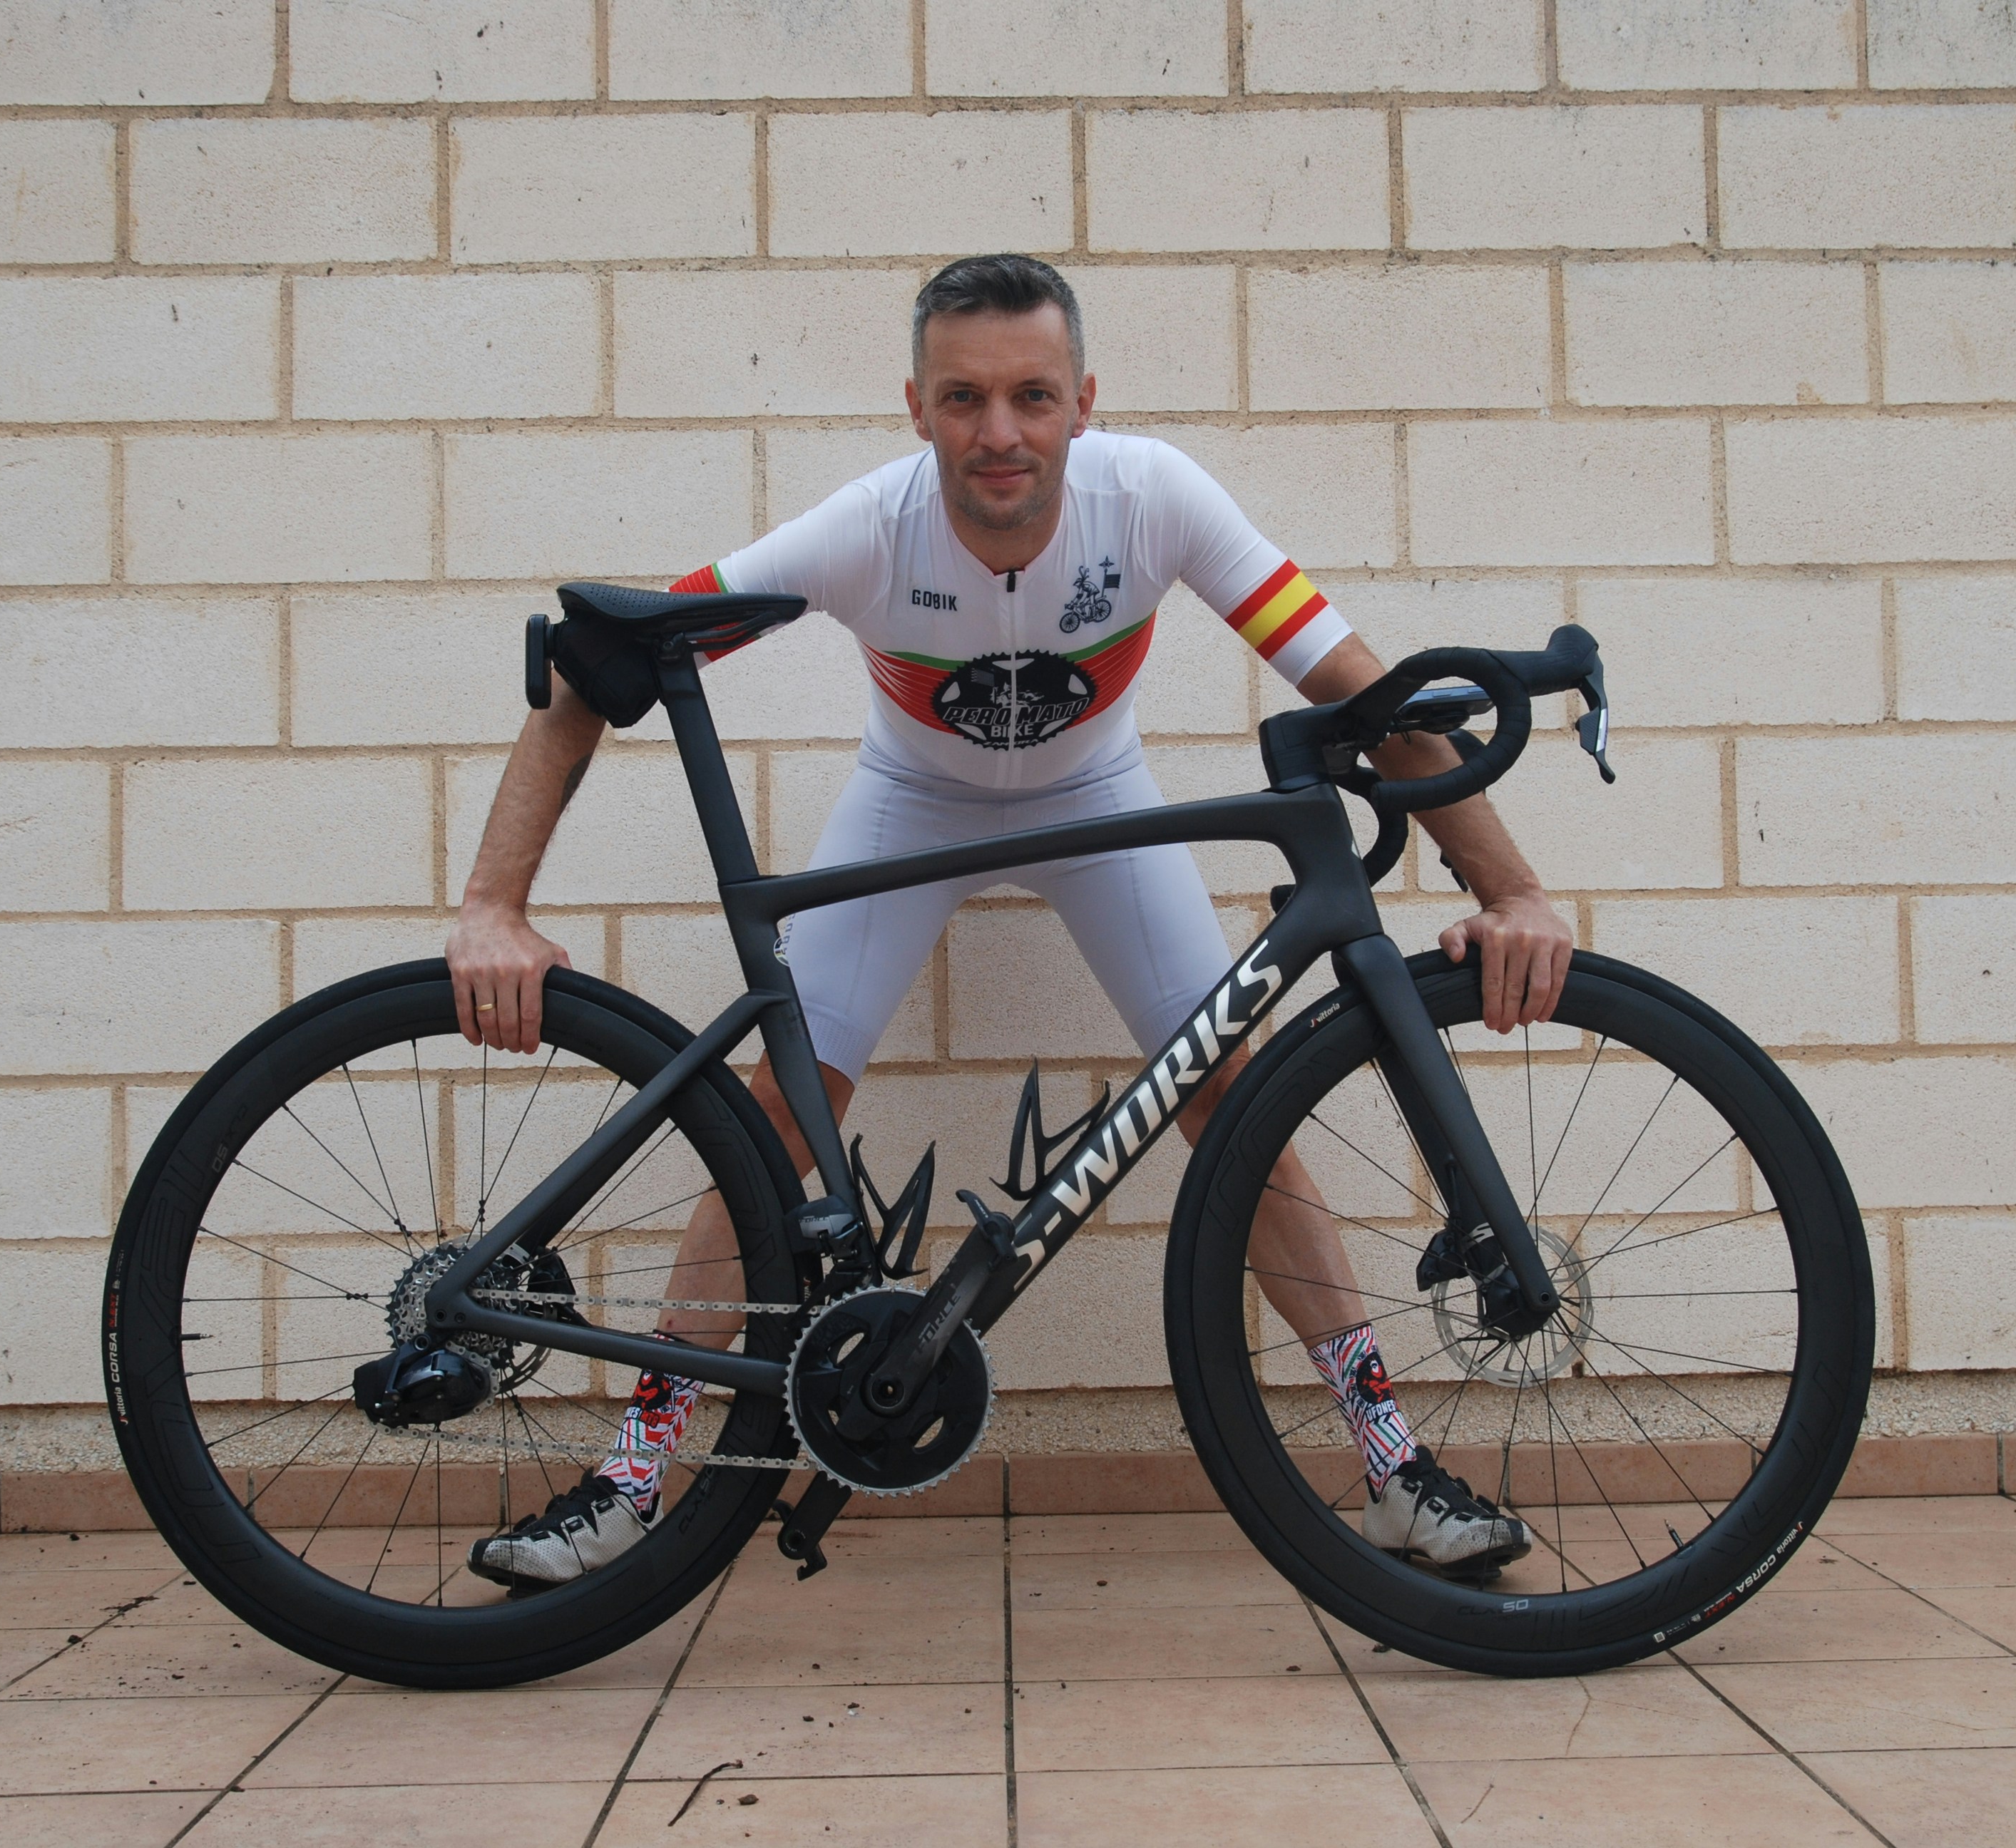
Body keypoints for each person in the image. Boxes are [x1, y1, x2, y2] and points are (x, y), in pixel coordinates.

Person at [444, 255, 1575, 1591]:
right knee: (773, 1127)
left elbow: (1363, 689)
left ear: (1083, 401)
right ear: (915, 408)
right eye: (964, 398)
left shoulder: (1150, 497)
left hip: (1096, 793)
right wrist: (492, 906)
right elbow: (601, 665)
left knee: (1234, 1101)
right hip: (910, 802)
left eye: (1033, 396)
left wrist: (1508, 886)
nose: (1000, 433)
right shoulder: (870, 526)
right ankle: (635, 1485)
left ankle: (1387, 1466)